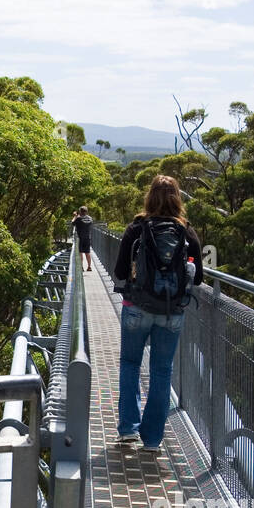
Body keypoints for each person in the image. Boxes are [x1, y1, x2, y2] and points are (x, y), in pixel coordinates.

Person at [112, 175, 204, 452]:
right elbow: (197, 278)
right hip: (171, 313)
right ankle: (152, 440)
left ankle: (128, 429)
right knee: (162, 372)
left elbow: (118, 272)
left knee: (130, 364)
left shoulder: (136, 227)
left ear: (149, 196)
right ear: (178, 198)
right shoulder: (187, 231)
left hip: (136, 308)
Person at [71, 206, 94, 272]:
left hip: (80, 238)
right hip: (87, 238)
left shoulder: (78, 218)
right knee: (87, 253)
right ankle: (89, 267)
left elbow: (72, 223)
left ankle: (81, 267)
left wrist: (75, 216)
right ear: (86, 211)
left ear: (80, 211)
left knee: (80, 253)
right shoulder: (90, 218)